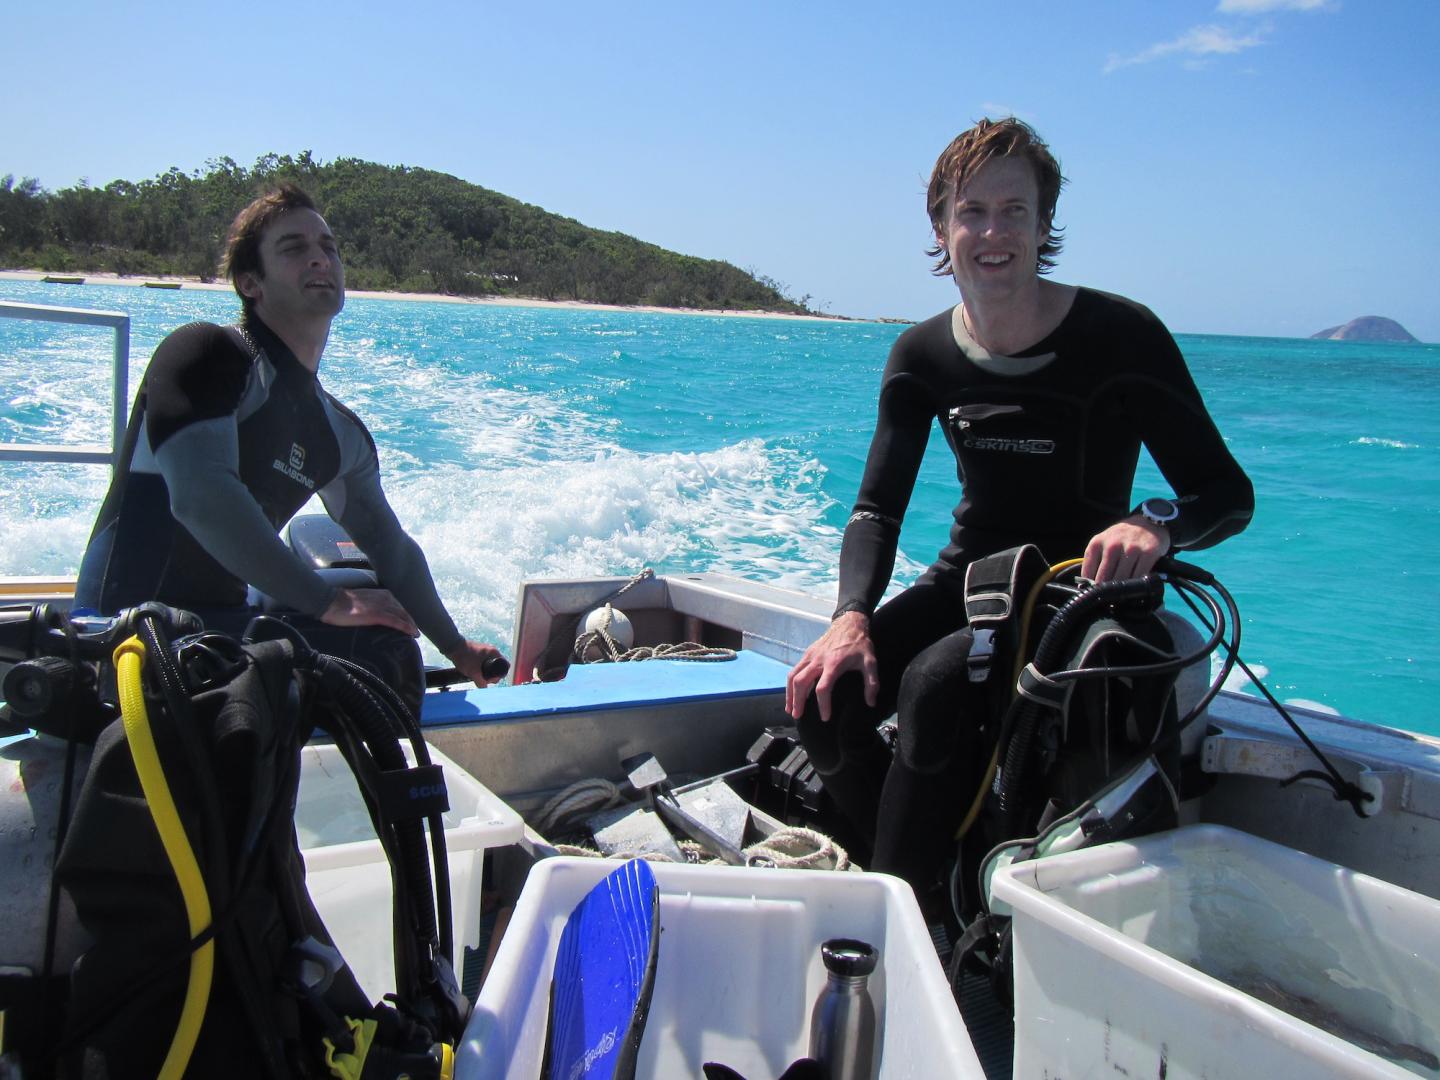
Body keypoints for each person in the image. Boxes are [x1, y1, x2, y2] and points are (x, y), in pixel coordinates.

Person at [784, 118, 1253, 899]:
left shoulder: (1121, 335)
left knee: (936, 684)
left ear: (1044, 226)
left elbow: (1227, 495)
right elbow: (875, 510)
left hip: (1085, 590)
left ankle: (906, 917)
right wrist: (851, 615)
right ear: (941, 225)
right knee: (825, 698)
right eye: (972, 212)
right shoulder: (922, 354)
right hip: (976, 580)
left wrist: (1155, 523)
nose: (993, 232)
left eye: (1015, 211)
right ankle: (931, 895)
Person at [74, 183, 505, 715]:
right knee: (384, 653)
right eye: (294, 247)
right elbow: (201, 496)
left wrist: (455, 646)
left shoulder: (338, 432)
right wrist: (329, 603)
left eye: (329, 246)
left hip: (225, 616)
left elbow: (391, 546)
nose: (321, 257)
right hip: (133, 631)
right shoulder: (206, 355)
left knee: (378, 599)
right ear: (250, 282)